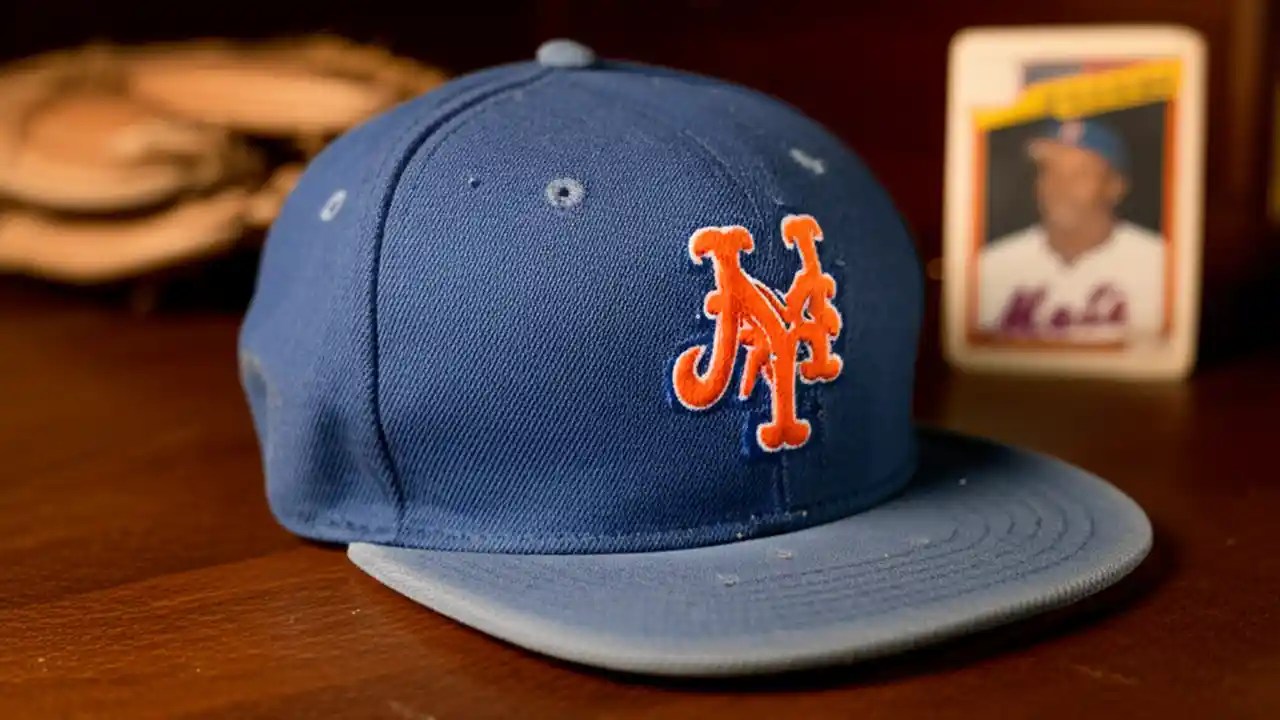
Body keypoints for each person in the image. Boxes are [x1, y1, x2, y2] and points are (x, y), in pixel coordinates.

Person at [978, 118, 1166, 342]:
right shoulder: (990, 264)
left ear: (1115, 186)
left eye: (1079, 174)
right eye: (1050, 172)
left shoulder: (1161, 263)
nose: (1061, 187)